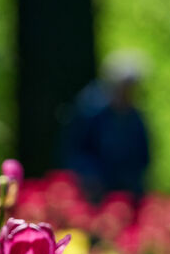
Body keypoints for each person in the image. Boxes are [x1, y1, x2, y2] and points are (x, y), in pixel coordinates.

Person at [62, 51, 152, 201]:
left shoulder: (135, 118)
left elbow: (144, 157)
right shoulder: (90, 112)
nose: (129, 94)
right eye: (125, 88)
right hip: (95, 191)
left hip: (128, 192)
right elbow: (73, 151)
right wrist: (89, 175)